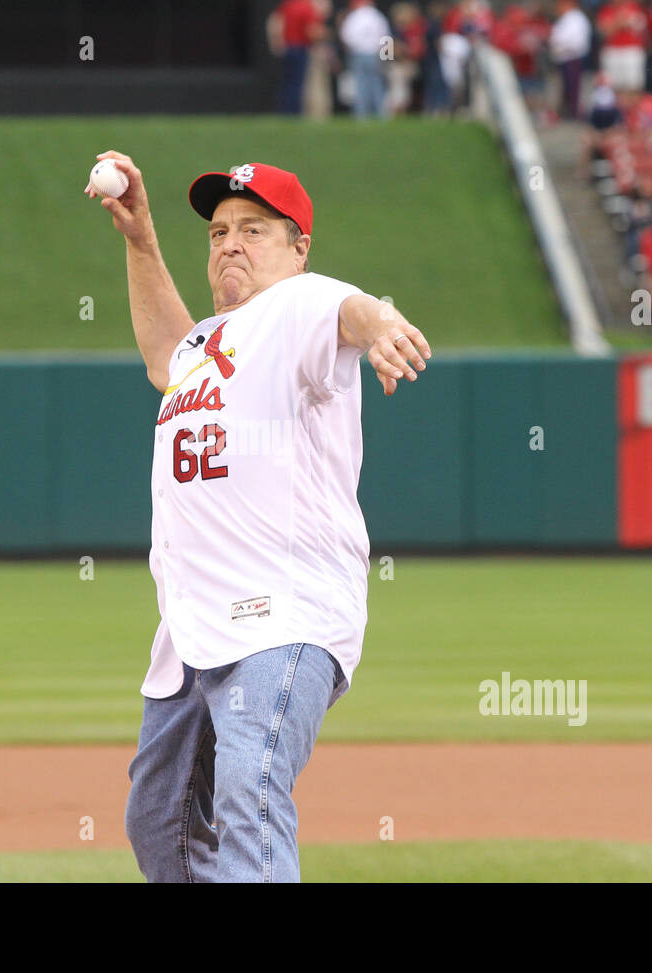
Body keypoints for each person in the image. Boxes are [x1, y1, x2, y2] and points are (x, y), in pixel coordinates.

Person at [86, 154, 431, 883]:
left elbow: (351, 310)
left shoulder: (298, 306)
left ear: (298, 246)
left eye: (253, 229)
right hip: (193, 629)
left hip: (284, 615)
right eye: (217, 233)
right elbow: (163, 355)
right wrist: (142, 240)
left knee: (251, 782)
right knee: (159, 823)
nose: (230, 244)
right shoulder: (208, 345)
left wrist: (383, 323)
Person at [267, 0, 325, 114]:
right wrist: (320, 41)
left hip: (287, 48)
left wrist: (276, 42)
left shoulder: (288, 5)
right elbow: (312, 31)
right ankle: (293, 113)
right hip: (300, 48)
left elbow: (275, 22)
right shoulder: (307, 7)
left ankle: (284, 111)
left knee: (288, 82)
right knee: (297, 84)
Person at [340, 0, 391, 119]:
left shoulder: (354, 16)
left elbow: (346, 37)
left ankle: (361, 115)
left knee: (360, 84)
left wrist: (352, 50)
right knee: (377, 83)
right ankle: (381, 114)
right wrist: (387, 58)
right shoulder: (378, 16)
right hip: (375, 53)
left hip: (358, 53)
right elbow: (386, 37)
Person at [550, 0, 592, 120]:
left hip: (573, 57)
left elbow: (576, 42)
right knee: (565, 88)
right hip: (562, 58)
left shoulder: (577, 18)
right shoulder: (564, 19)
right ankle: (567, 111)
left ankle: (575, 112)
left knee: (574, 88)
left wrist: (560, 46)